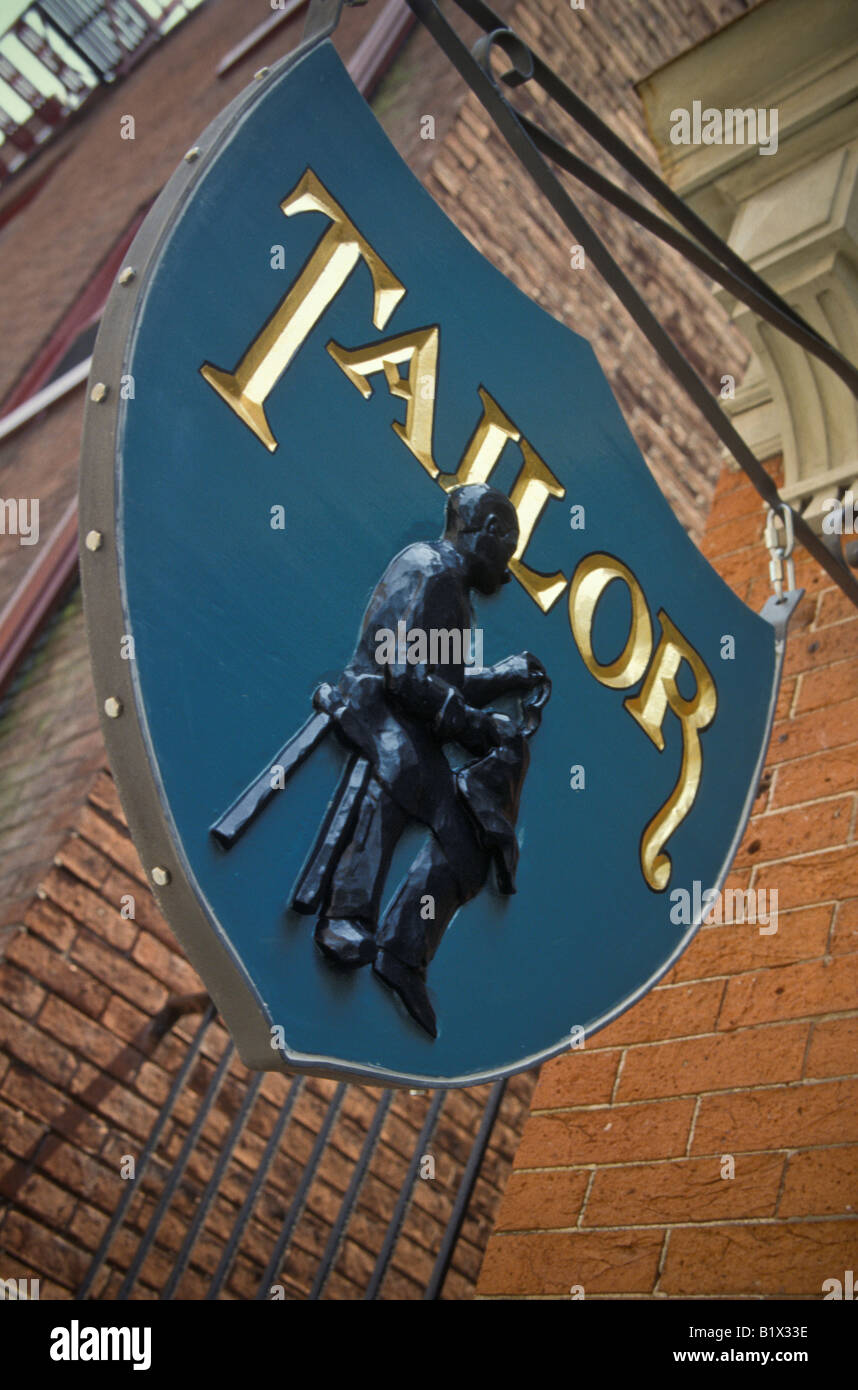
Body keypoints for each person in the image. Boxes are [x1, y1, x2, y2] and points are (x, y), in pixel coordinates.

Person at [291, 482, 549, 1036]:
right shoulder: (428, 567)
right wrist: (468, 723)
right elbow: (402, 673)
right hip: (376, 709)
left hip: (413, 718)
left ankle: (403, 953)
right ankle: (344, 915)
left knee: (468, 838)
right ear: (488, 536)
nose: (510, 562)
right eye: (509, 546)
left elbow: (443, 680)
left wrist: (503, 677)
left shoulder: (456, 589)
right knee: (403, 769)